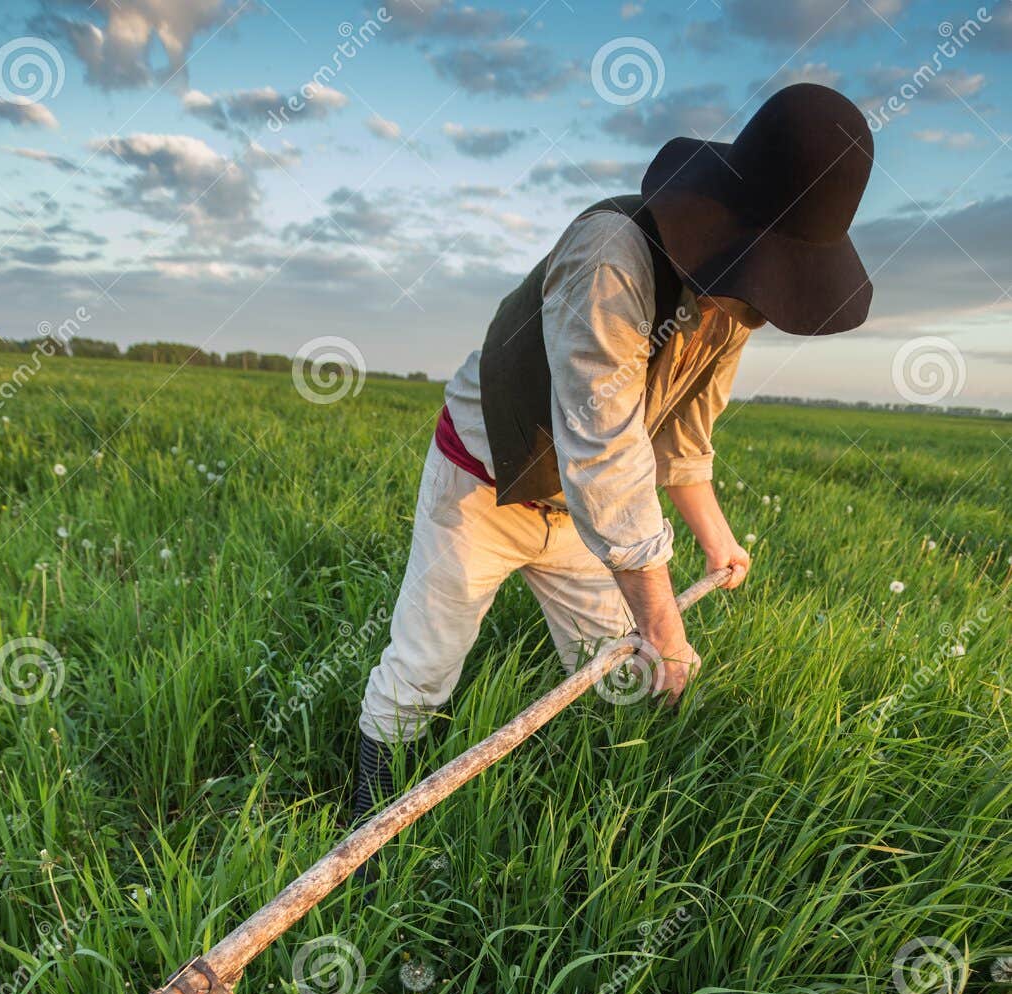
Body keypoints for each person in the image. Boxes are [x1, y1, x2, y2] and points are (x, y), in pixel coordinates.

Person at [354, 83, 875, 814]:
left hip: (579, 519)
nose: (759, 308)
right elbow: (602, 447)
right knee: (424, 664)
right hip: (481, 488)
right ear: (732, 231)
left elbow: (683, 438)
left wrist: (715, 539)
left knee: (620, 675)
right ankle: (367, 814)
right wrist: (664, 623)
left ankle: (611, 812)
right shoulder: (610, 256)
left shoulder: (732, 305)